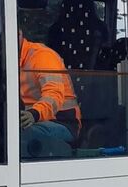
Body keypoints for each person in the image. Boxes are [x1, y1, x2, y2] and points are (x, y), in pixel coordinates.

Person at [19, 26, 82, 158]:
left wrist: (34, 114)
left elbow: (54, 95)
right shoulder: (11, 62)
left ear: (18, 34)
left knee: (17, 136)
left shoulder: (42, 56)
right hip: (33, 120)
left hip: (62, 122)